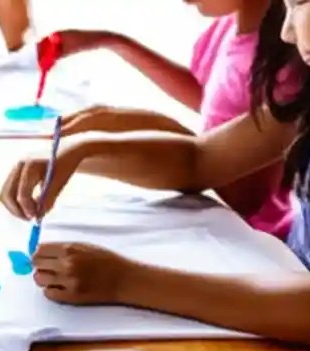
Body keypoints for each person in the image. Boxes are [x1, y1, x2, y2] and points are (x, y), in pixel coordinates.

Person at [0, 0, 310, 351]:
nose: (287, 31)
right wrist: (82, 151)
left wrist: (123, 280)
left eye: (300, 4)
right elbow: (199, 159)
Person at [51, 0, 295, 239]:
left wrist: (143, 131)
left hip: (253, 236)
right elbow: (211, 98)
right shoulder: (229, 29)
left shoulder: (280, 64)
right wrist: (113, 41)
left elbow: (247, 198)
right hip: (212, 211)